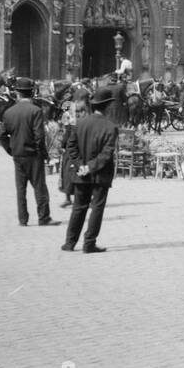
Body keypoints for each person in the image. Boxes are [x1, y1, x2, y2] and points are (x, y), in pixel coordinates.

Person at [62, 84, 118, 254]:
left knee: (79, 207)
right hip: (100, 174)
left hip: (81, 174)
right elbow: (107, 153)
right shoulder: (110, 127)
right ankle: (89, 243)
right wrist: (90, 167)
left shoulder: (80, 124)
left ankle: (70, 242)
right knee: (97, 208)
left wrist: (81, 166)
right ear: (108, 106)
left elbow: (70, 147)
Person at [0, 76, 60, 227]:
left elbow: (2, 136)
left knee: (21, 189)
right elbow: (39, 136)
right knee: (39, 187)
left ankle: (23, 219)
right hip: (33, 155)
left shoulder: (9, 112)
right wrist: (44, 154)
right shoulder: (36, 110)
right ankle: (43, 217)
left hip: (18, 155)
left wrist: (11, 150)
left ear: (18, 94)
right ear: (31, 93)